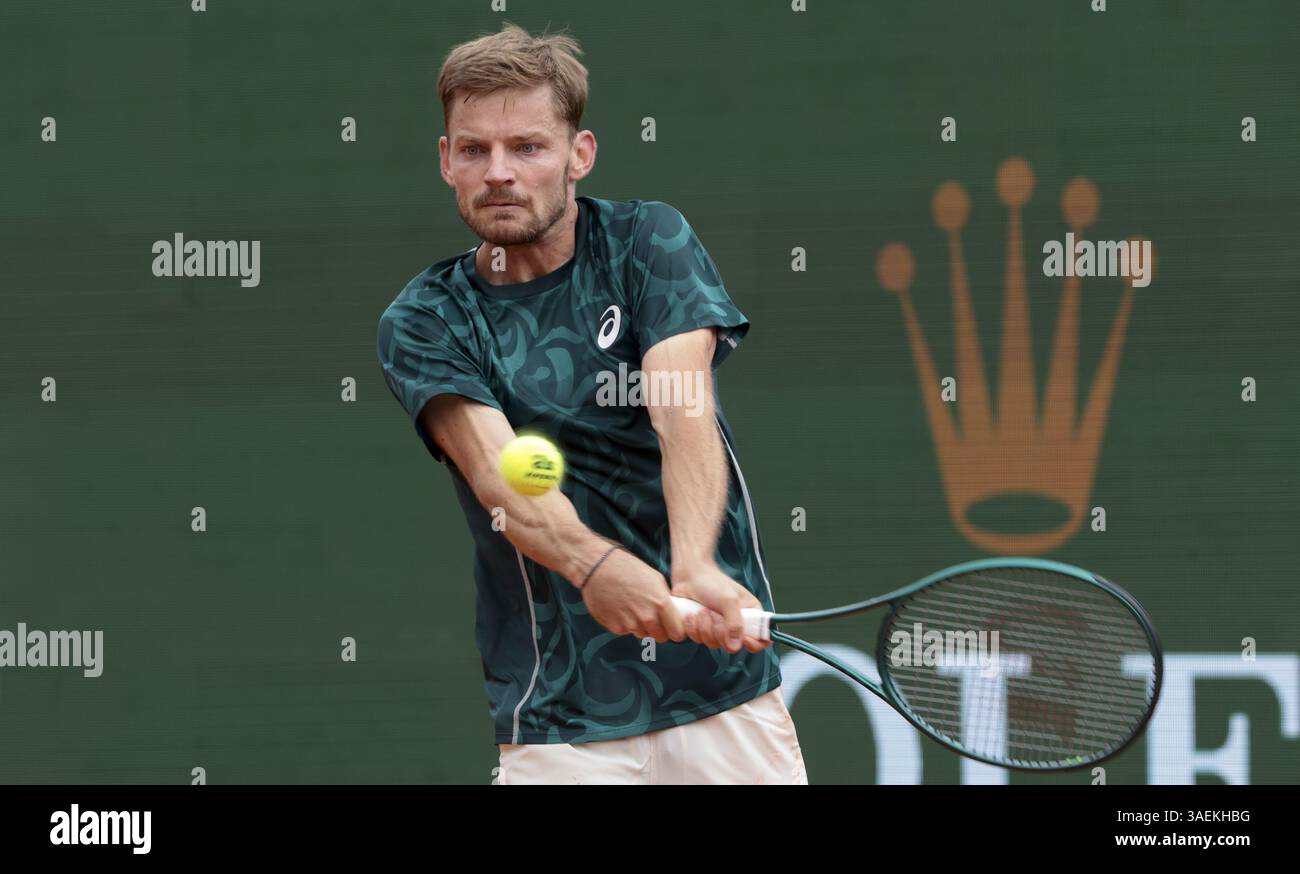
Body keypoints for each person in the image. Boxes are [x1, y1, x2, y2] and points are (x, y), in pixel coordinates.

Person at [377, 23, 806, 784]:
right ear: (447, 162)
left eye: (528, 147)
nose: (499, 172)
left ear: (580, 154)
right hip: (557, 721)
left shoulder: (648, 241)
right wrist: (595, 567)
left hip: (722, 699)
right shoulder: (425, 320)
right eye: (474, 150)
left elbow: (682, 408)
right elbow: (498, 473)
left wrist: (695, 564)